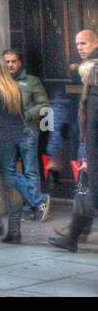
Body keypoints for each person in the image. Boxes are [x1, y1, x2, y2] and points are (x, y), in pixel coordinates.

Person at [0, 51, 47, 243]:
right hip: (11, 141)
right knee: (10, 181)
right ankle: (14, 229)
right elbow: (19, 115)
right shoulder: (12, 86)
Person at [51, 29, 97, 252]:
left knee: (84, 191)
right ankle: (75, 234)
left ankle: (74, 234)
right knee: (83, 192)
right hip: (87, 147)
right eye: (76, 43)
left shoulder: (93, 98)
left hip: (89, 150)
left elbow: (93, 128)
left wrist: (87, 156)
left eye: (83, 43)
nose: (79, 47)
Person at [5, 49, 49, 210]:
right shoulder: (0, 82)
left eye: (13, 61)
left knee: (31, 170)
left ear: (19, 63)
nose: (10, 65)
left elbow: (44, 104)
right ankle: (36, 200)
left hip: (27, 131)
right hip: (7, 132)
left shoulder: (32, 81)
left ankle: (32, 208)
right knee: (8, 169)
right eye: (7, 61)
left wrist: (28, 115)